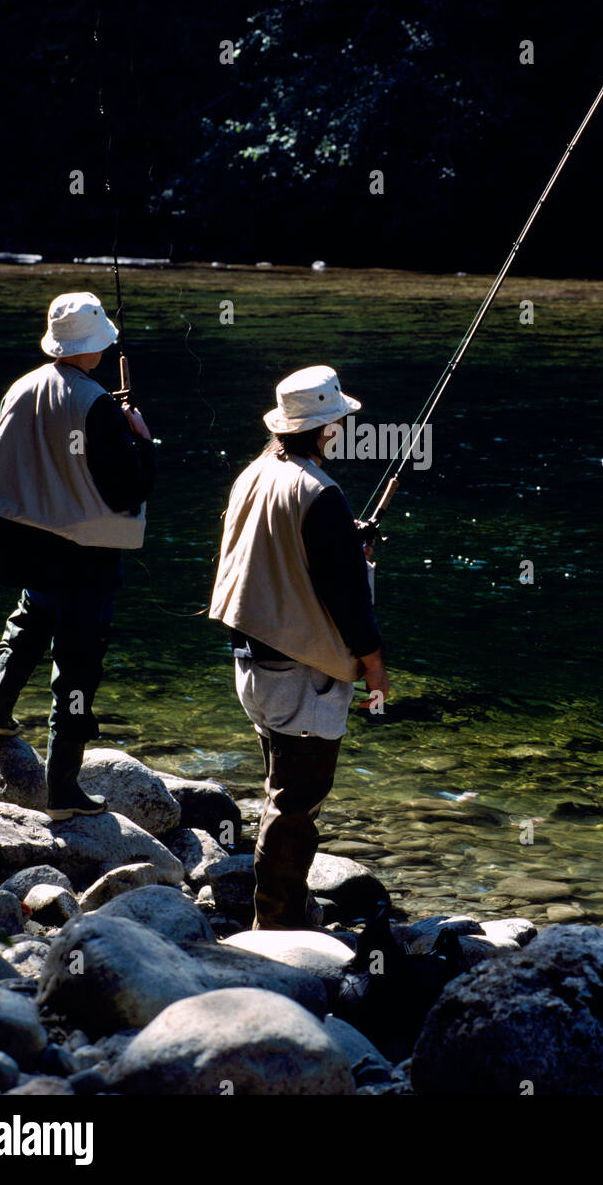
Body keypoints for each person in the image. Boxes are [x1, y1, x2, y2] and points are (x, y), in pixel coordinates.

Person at [0, 292, 157, 820]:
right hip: (83, 553)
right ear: (96, 346)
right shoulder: (98, 404)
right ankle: (63, 791)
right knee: (78, 659)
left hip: (30, 541)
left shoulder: (23, 386)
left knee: (30, 617)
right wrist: (141, 438)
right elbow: (128, 491)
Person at [210, 365, 389, 931]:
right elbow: (346, 599)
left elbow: (279, 549)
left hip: (252, 662)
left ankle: (286, 904)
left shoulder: (255, 472)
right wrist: (375, 667)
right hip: (299, 675)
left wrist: (344, 538)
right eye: (338, 421)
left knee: (280, 787)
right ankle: (279, 925)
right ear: (326, 426)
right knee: (296, 805)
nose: (341, 429)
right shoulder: (320, 491)